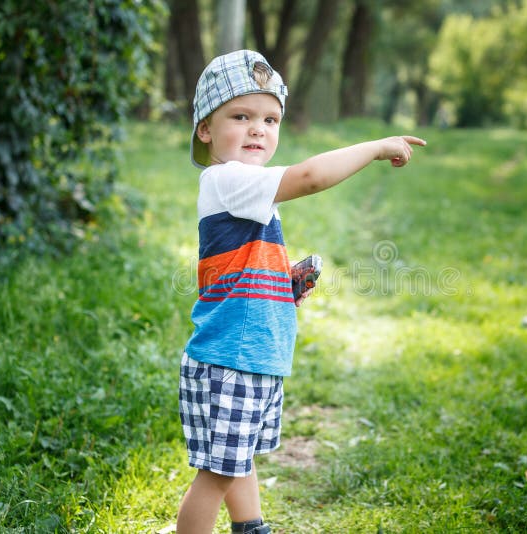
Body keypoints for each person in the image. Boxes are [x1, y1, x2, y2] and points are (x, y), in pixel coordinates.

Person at [177, 49, 425, 534]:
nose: (257, 129)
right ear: (206, 129)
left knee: (238, 459)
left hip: (252, 354)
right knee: (217, 473)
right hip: (232, 359)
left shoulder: (244, 187)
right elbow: (310, 177)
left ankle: (252, 528)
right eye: (241, 115)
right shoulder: (229, 178)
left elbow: (238, 271)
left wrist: (281, 284)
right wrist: (375, 147)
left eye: (270, 119)